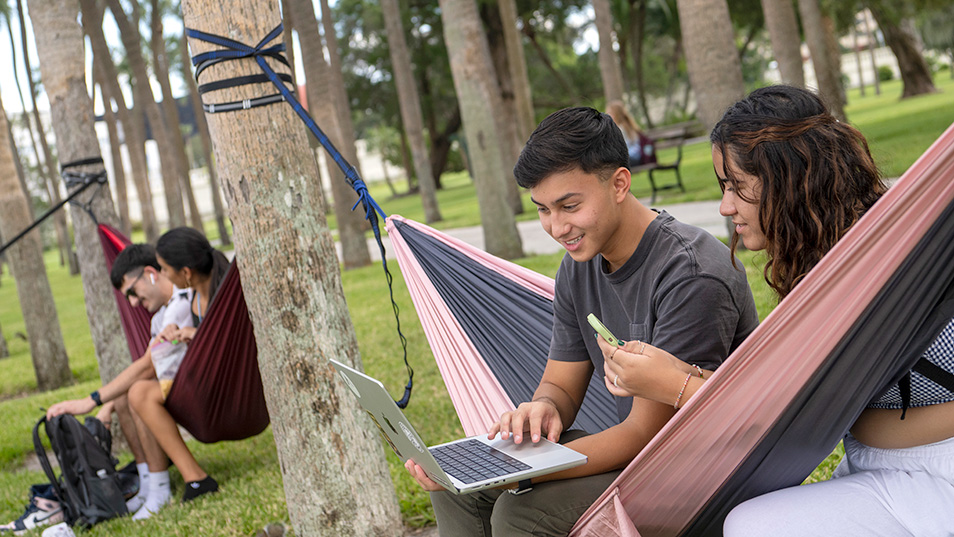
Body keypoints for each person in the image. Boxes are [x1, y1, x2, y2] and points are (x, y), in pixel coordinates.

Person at [600, 85, 954, 536]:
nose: (726, 207)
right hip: (875, 469)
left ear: (790, 181)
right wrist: (675, 378)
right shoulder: (822, 266)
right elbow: (793, 404)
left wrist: (677, 385)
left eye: (737, 188)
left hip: (938, 474)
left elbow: (794, 416)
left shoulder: (910, 256)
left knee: (755, 526)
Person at [405, 106, 759, 536]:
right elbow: (559, 386)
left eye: (569, 205)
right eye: (542, 210)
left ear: (619, 184)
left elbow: (645, 433)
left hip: (695, 473)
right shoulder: (578, 266)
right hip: (636, 455)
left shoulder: (690, 273)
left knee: (520, 513)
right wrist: (543, 409)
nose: (556, 227)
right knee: (453, 488)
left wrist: (520, 472)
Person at [46, 244, 193, 519]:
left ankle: (160, 489)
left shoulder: (181, 304)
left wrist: (89, 401)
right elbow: (149, 366)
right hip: (171, 387)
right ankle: (148, 483)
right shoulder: (159, 317)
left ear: (150, 273)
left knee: (137, 390)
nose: (134, 303)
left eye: (132, 293)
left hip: (195, 391)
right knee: (125, 395)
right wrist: (109, 406)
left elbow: (147, 366)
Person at [125, 227, 231, 518]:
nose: (162, 275)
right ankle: (194, 479)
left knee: (140, 393)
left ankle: (191, 480)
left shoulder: (225, 296)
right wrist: (182, 333)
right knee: (139, 392)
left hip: (228, 391)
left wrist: (193, 333)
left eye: (165, 269)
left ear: (185, 272)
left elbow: (231, 342)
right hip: (206, 385)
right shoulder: (195, 298)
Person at [606, 100, 655, 168]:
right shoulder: (628, 125)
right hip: (636, 157)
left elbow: (622, 149)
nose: (607, 116)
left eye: (609, 113)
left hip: (632, 159)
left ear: (615, 114)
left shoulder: (620, 129)